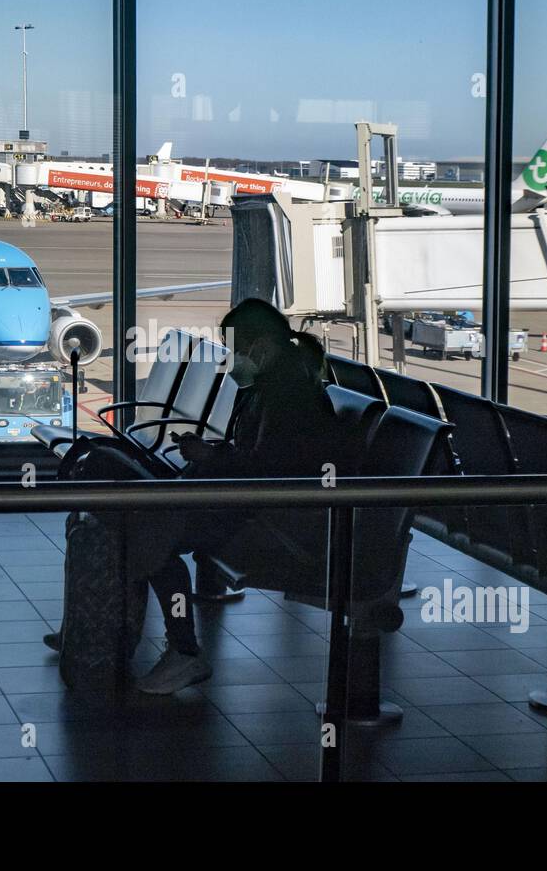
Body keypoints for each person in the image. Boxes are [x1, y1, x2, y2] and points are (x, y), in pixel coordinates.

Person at [49, 298, 345, 695]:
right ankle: (113, 630)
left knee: (150, 526)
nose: (233, 359)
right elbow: (263, 460)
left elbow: (270, 472)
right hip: (253, 503)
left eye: (236, 349)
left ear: (260, 346)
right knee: (139, 510)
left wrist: (211, 456)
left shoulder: (287, 395)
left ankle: (180, 648)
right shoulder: (276, 385)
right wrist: (212, 455)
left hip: (269, 519)